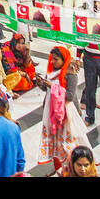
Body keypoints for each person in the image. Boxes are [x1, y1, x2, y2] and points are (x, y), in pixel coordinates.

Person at [38, 45, 87, 174]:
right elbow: (46, 89)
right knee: (55, 143)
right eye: (52, 59)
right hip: (51, 112)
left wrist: (53, 86)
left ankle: (70, 170)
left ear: (63, 59)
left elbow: (70, 96)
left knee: (67, 144)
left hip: (65, 114)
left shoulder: (70, 74)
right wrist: (42, 84)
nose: (53, 62)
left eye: (56, 59)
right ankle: (59, 169)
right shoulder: (51, 71)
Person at [1, 30, 43, 95]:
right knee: (23, 82)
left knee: (31, 68)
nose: (20, 45)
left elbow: (26, 64)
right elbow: (11, 70)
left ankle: (28, 82)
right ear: (14, 42)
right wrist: (25, 75)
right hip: (9, 74)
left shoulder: (21, 49)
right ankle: (27, 83)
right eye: (18, 43)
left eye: (22, 43)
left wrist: (28, 52)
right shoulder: (6, 50)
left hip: (19, 71)